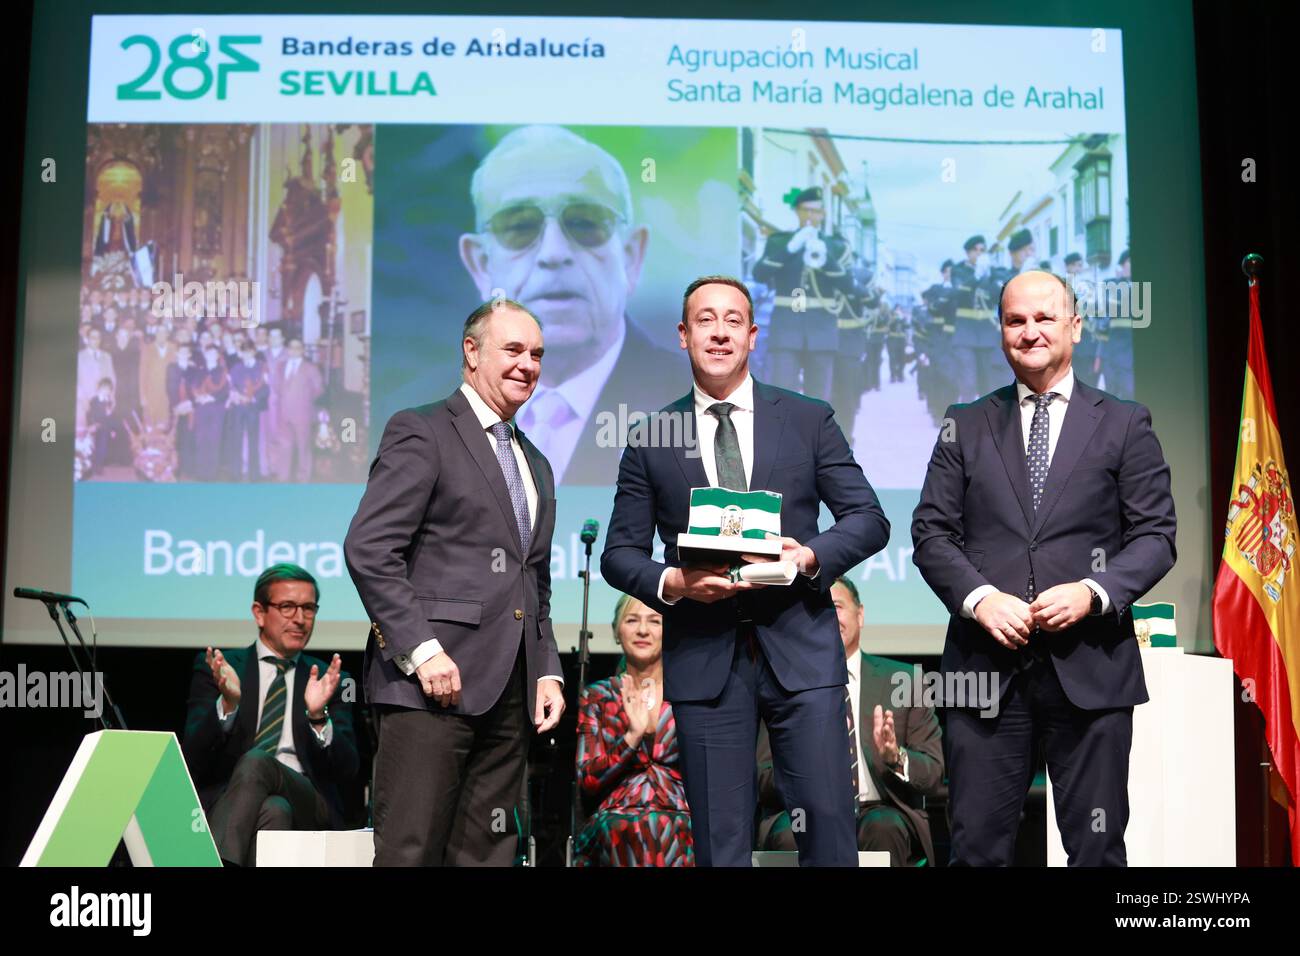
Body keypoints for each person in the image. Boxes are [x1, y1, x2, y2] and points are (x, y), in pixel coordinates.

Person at [601, 275, 890, 867]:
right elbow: (619, 554)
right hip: (706, 660)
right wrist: (674, 583)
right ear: (683, 336)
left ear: (752, 335)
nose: (720, 331)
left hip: (802, 653)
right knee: (719, 843)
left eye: (733, 320)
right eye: (705, 320)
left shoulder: (808, 419)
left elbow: (868, 518)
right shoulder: (652, 437)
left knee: (831, 832)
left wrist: (808, 556)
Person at [911, 270, 1176, 866]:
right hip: (982, 673)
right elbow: (930, 533)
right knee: (976, 850)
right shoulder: (964, 421)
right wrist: (980, 598)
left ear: (1075, 326)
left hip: (1091, 667)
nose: (1029, 332)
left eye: (1044, 318)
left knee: (1097, 848)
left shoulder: (1125, 422)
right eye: (1015, 320)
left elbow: (1156, 537)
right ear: (1001, 331)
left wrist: (1092, 591)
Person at [344, 299, 566, 866]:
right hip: (428, 689)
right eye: (513, 349)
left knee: (488, 854)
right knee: (410, 851)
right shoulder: (422, 430)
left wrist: (545, 669)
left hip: (509, 692)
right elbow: (370, 548)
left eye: (537, 354)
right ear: (471, 352)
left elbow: (532, 580)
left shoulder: (535, 461)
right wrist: (421, 650)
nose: (528, 365)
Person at [458, 124, 680, 485]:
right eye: (519, 226)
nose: (554, 253)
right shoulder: (423, 412)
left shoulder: (699, 407)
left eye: (584, 222)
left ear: (630, 256)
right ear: (481, 265)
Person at [756, 576, 943, 866]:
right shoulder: (785, 683)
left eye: (837, 606)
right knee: (794, 831)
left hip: (879, 809)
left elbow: (932, 774)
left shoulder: (905, 681)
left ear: (861, 614)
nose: (829, 616)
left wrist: (895, 757)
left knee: (884, 827)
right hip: (806, 808)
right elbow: (762, 774)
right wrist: (803, 765)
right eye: (819, 610)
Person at [182, 563, 359, 867]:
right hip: (234, 800)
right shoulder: (219, 669)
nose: (300, 619)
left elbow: (349, 769)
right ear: (259, 612)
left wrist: (319, 717)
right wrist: (229, 705)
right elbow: (193, 756)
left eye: (308, 608)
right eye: (288, 607)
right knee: (275, 810)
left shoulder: (335, 680)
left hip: (308, 798)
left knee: (257, 761)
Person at [573, 593, 693, 867]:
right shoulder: (597, 696)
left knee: (663, 825)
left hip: (680, 811)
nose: (642, 630)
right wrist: (631, 738)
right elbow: (587, 781)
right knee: (636, 826)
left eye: (654, 621)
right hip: (615, 815)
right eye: (632, 620)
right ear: (617, 630)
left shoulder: (687, 695)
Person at [752, 186, 857, 404]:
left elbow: (849, 286)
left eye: (816, 211)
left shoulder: (836, 247)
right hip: (786, 327)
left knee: (818, 400)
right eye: (805, 210)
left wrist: (826, 258)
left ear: (823, 214)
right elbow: (760, 274)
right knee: (780, 395)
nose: (810, 216)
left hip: (822, 329)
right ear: (797, 211)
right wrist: (790, 248)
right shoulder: (779, 241)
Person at [273, 338, 323, 483]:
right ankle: (283, 477)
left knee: (303, 447)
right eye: (291, 347)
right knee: (284, 446)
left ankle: (303, 479)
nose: (294, 350)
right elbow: (277, 386)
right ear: (287, 350)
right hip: (283, 414)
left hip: (302, 414)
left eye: (297, 347)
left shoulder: (310, 368)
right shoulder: (280, 366)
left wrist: (304, 400)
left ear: (302, 350)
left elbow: (319, 389)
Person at [76, 328, 116, 430]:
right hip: (85, 403)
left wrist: (112, 396)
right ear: (87, 339)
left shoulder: (107, 356)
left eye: (98, 338)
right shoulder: (79, 356)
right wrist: (83, 399)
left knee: (101, 435)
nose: (96, 340)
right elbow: (77, 380)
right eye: (93, 337)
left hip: (103, 403)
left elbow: (112, 378)